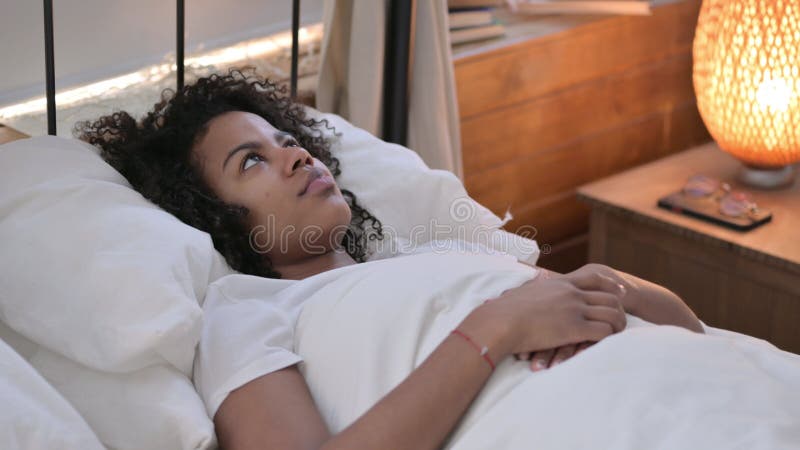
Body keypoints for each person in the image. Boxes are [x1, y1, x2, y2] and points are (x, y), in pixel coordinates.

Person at [78, 70, 703, 450]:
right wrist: (495, 328)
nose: (295, 157)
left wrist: (611, 284)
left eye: (288, 142)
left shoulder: (436, 252)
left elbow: (691, 329)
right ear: (210, 216)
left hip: (691, 390)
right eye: (251, 162)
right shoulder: (243, 313)